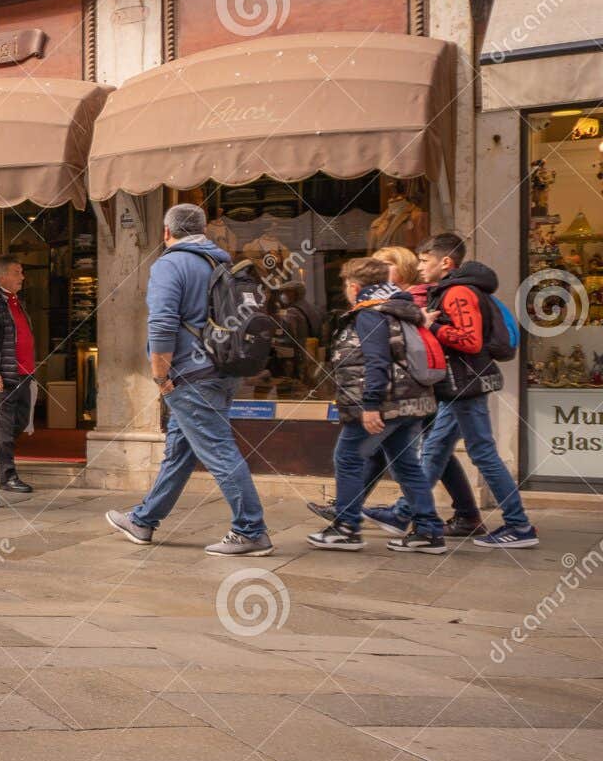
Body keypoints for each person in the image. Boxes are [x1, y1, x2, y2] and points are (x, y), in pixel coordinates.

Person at [105, 203, 273, 555]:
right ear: (204, 230)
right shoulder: (220, 261)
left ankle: (251, 529)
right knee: (179, 451)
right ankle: (144, 520)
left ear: (167, 232)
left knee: (218, 449)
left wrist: (159, 374)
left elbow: (162, 322)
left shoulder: (170, 264)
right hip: (222, 368)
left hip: (190, 374)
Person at [363, 232, 537, 549]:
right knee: (435, 449)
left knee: (482, 453)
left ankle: (518, 525)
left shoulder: (458, 292)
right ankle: (405, 513)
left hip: (465, 386)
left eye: (425, 261)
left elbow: (469, 341)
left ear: (445, 262)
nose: (420, 267)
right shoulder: (451, 289)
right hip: (456, 386)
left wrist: (431, 325)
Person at [305, 244, 483, 537]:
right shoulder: (402, 308)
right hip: (411, 402)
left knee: (348, 457)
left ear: (353, 286)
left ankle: (345, 527)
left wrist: (371, 405)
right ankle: (428, 530)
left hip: (385, 402)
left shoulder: (370, 313)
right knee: (406, 465)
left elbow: (377, 362)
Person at [0, 255, 37, 495]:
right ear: (2, 277)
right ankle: (7, 476)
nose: (22, 277)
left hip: (22, 374)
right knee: (2, 427)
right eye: (17, 272)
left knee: (19, 421)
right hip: (1, 377)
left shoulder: (15, 301)